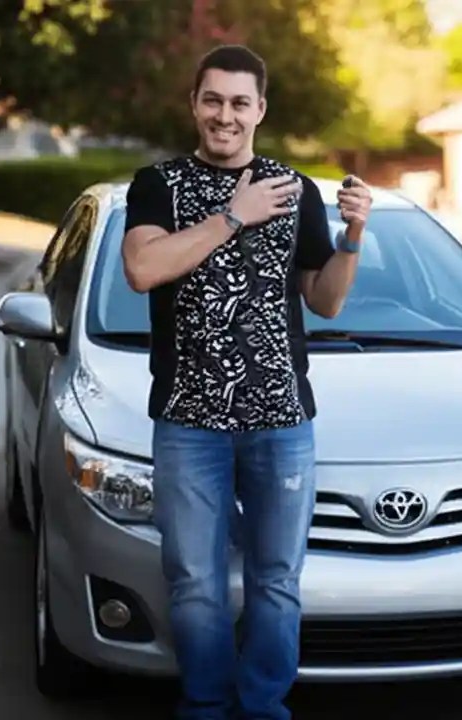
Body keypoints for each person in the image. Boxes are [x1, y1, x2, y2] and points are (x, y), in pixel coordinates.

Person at [120, 44, 372, 720]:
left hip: (282, 420)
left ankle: (263, 708)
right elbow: (144, 270)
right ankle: (205, 706)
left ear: (260, 109)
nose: (224, 115)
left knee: (278, 582)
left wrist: (352, 235)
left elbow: (324, 301)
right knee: (196, 583)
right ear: (195, 104)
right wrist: (232, 215)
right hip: (188, 421)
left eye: (239, 102)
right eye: (212, 100)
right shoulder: (159, 186)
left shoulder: (295, 191)